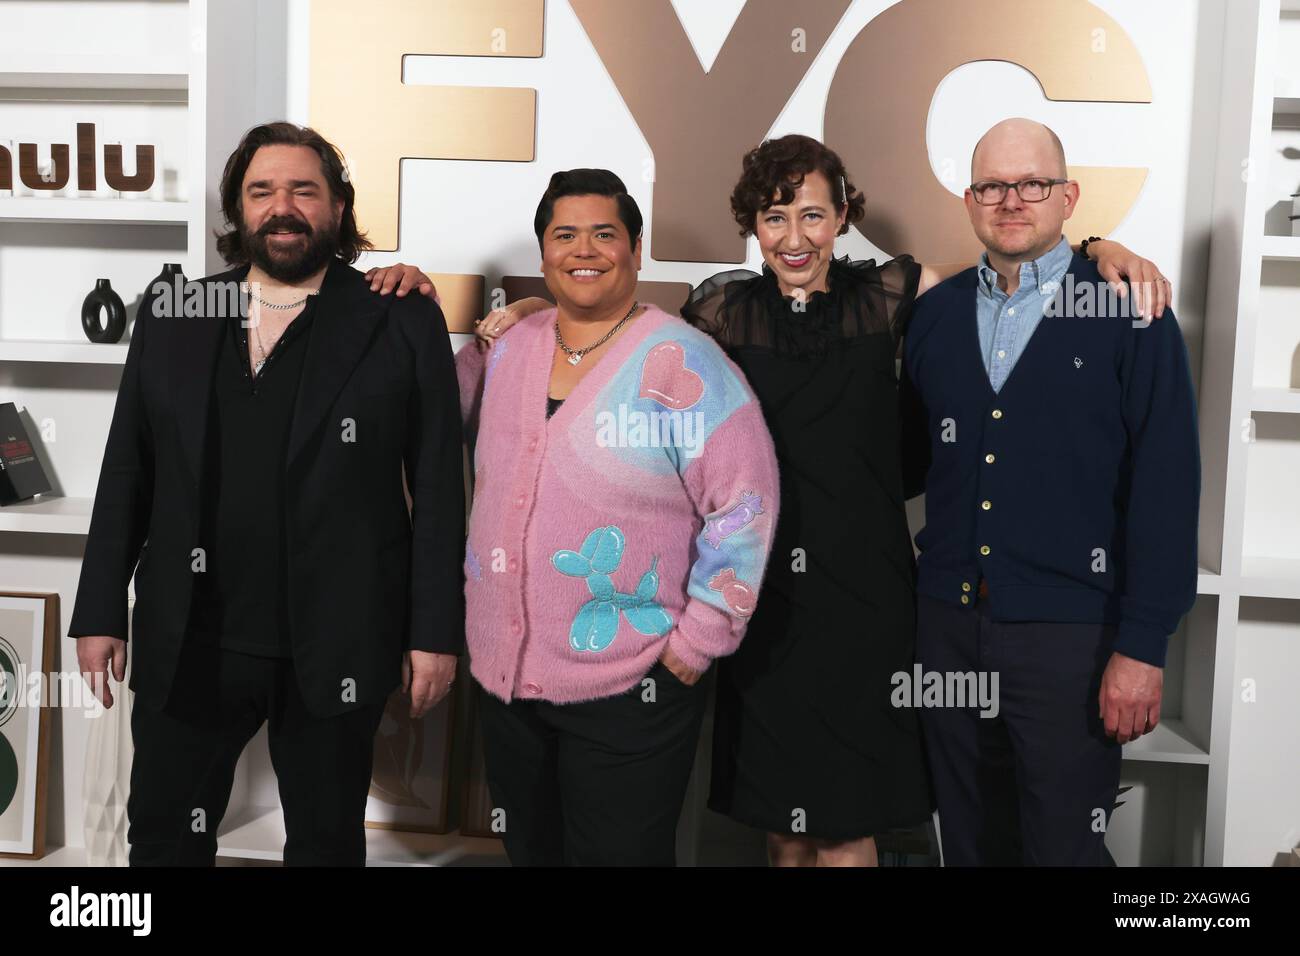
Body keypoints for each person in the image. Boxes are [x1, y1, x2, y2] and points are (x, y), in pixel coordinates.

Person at [369, 135, 1172, 868]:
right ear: (752, 223)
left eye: (814, 214)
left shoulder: (899, 294)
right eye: (776, 215)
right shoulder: (720, 310)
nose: (795, 236)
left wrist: (1099, 247)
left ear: (844, 217)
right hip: (764, 597)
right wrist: (539, 313)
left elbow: (1011, 277)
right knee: (782, 825)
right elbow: (615, 341)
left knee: (849, 821)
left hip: (865, 595)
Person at [69, 122, 466, 866]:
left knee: (323, 844)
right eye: (262, 191)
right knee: (162, 840)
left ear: (338, 209)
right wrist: (99, 609)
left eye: (303, 190)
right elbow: (128, 467)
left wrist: (434, 633)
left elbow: (441, 487)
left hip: (336, 639)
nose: (282, 207)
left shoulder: (399, 315)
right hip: (188, 639)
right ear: (238, 211)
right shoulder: (176, 311)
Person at [453, 168, 779, 866]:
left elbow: (745, 506)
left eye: (605, 234)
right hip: (507, 683)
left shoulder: (684, 360)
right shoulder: (507, 350)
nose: (585, 249)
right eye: (564, 234)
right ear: (543, 254)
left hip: (633, 685)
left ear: (636, 247)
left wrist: (694, 647)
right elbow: (423, 418)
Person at [904, 118, 1199, 865]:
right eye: (993, 186)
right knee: (968, 843)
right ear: (970, 201)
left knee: (1065, 848)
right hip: (947, 630)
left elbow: (1167, 484)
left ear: (1067, 197)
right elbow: (905, 462)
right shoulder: (934, 317)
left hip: (1072, 639)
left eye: (1032, 184)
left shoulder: (1128, 308)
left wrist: (1142, 648)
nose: (1012, 200)